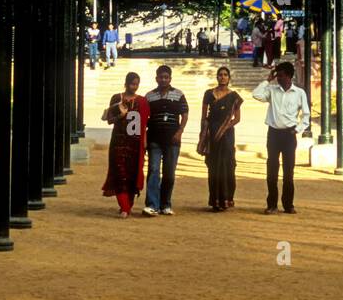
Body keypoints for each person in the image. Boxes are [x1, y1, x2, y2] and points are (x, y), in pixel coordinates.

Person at [253, 60, 310, 214]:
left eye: (282, 76)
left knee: (288, 172)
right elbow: (256, 94)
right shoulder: (272, 90)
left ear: (289, 77)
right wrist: (267, 79)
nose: (279, 78)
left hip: (289, 135)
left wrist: (297, 130)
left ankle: (288, 204)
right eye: (277, 75)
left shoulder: (299, 93)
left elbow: (306, 115)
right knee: (271, 170)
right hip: (273, 133)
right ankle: (271, 204)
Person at [101, 71, 149, 217]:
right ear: (126, 83)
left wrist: (144, 143)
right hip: (119, 142)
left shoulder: (142, 101)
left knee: (132, 174)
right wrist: (119, 114)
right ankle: (124, 207)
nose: (134, 87)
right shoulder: (117, 98)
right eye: (132, 84)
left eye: (136, 84)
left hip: (135, 143)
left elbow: (144, 124)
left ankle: (128, 204)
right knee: (119, 172)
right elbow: (109, 120)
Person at [143, 66, 189, 216]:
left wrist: (180, 132)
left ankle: (165, 204)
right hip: (154, 138)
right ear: (156, 78)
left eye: (166, 77)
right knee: (154, 170)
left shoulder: (179, 95)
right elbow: (144, 119)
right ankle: (152, 204)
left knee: (169, 173)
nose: (163, 79)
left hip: (172, 139)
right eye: (161, 77)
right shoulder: (149, 96)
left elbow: (185, 114)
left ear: (170, 78)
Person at [199, 67, 243, 211]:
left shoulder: (234, 96)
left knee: (227, 166)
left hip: (227, 134)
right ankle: (215, 201)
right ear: (217, 77)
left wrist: (225, 127)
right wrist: (203, 135)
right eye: (220, 75)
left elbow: (237, 118)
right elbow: (204, 116)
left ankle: (226, 199)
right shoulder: (209, 94)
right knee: (213, 166)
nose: (223, 77)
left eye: (225, 75)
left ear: (229, 78)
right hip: (212, 134)